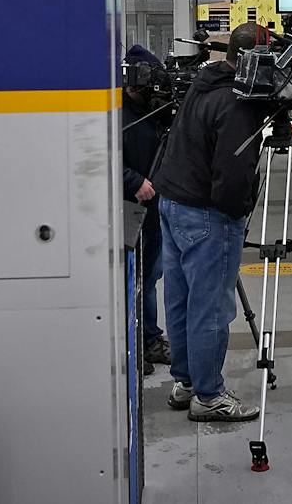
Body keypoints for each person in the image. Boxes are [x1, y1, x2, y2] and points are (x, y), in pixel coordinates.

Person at [150, 23, 272, 422]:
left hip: (173, 203)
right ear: (256, 57)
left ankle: (186, 381)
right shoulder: (237, 102)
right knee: (212, 308)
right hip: (206, 213)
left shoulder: (204, 85)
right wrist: (236, 211)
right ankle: (209, 395)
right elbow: (234, 174)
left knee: (181, 300)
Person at [121, 45, 170, 371]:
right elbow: (98, 154)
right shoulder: (113, 113)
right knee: (131, 278)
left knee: (149, 276)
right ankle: (136, 342)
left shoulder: (157, 111)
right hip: (128, 209)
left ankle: (149, 338)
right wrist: (132, 181)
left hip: (154, 209)